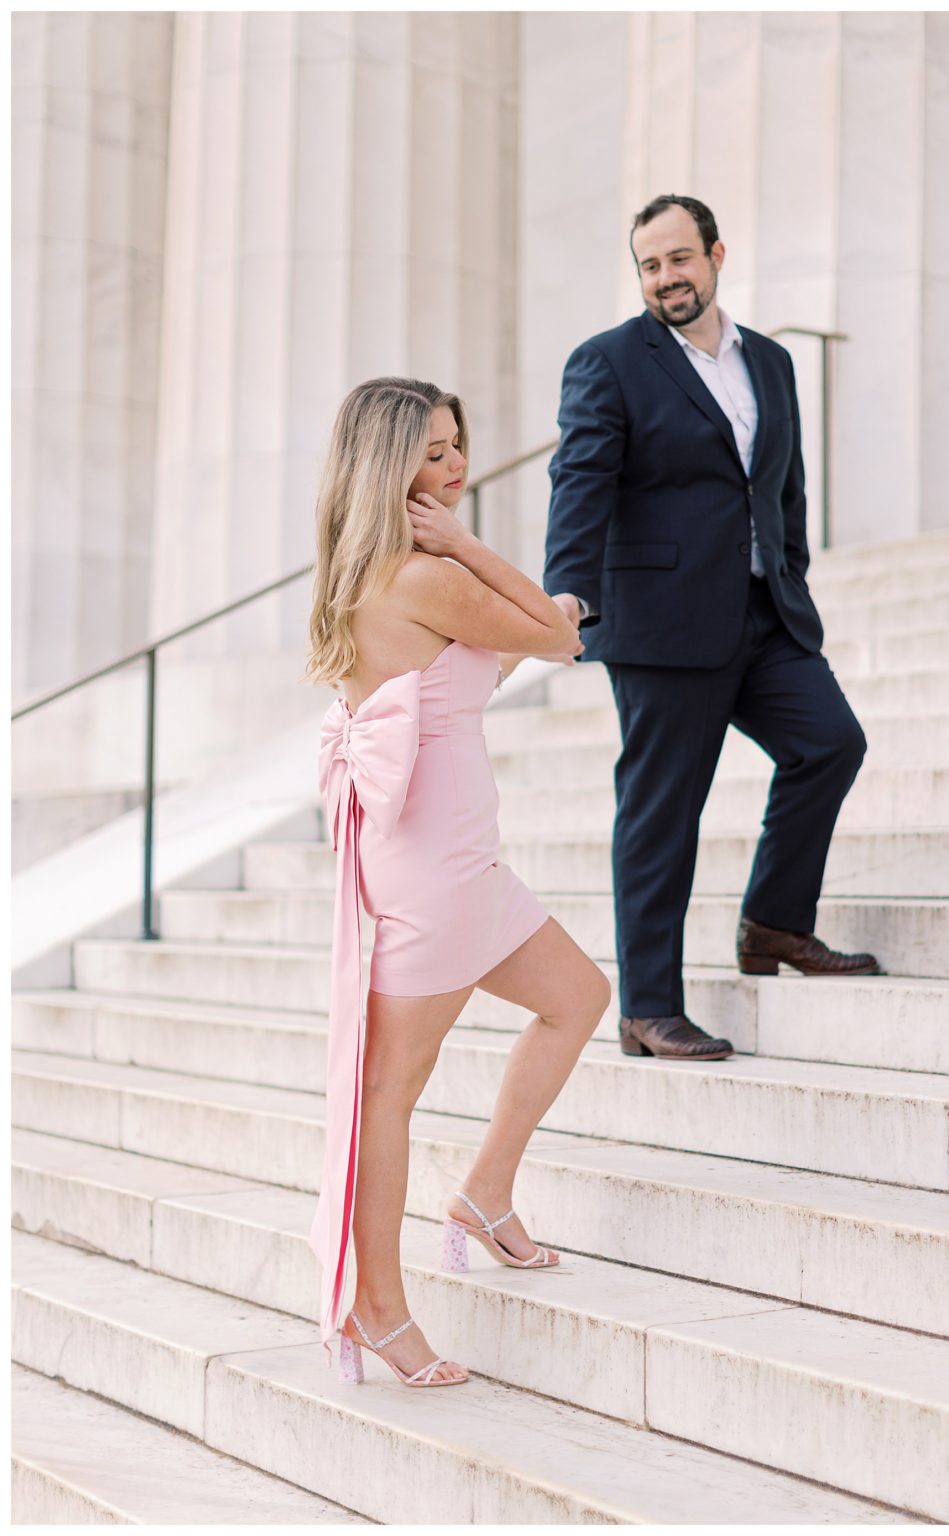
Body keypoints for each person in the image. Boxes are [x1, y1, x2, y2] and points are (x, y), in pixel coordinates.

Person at [306, 377, 609, 1388]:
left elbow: (515, 647)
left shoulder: (381, 574)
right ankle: (378, 1312)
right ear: (387, 468)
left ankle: (483, 1193)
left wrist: (523, 602)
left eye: (456, 447)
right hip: (432, 871)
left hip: (461, 860)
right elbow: (558, 635)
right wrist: (474, 546)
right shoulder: (418, 576)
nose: (452, 468)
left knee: (576, 997)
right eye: (430, 454)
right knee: (390, 1091)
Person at [544, 194, 881, 1065]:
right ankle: (648, 1008)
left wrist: (791, 574)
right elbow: (579, 480)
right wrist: (569, 595)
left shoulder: (767, 361)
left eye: (678, 260)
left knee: (830, 744)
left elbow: (784, 485)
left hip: (764, 614)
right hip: (660, 623)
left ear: (716, 255)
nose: (666, 279)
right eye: (649, 266)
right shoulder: (609, 362)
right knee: (661, 814)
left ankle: (772, 924)